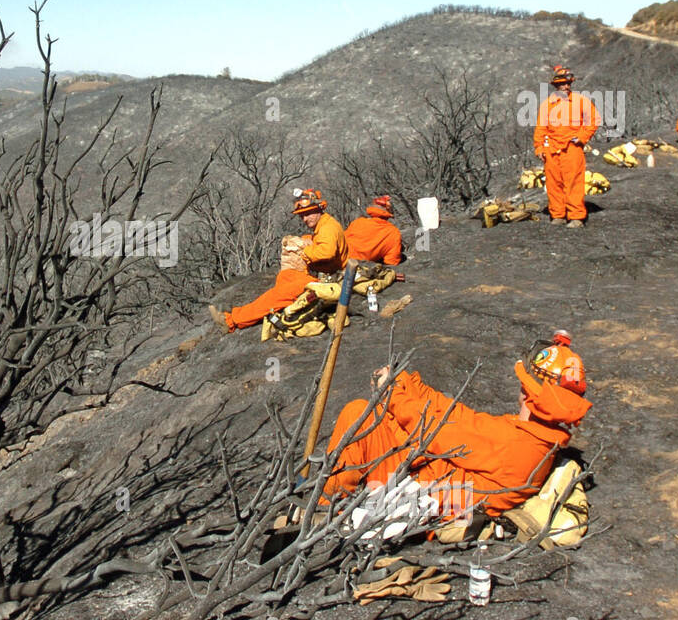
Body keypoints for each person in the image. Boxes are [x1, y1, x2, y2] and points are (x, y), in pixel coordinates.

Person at [321, 331, 591, 522]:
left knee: (358, 414)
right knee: (382, 418)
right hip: (426, 474)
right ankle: (335, 499)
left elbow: (437, 432)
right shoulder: (533, 436)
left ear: (530, 391)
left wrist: (393, 394)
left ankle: (324, 510)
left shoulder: (515, 445)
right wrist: (407, 384)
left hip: (420, 494)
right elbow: (463, 419)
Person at [209, 188, 348, 332]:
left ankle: (232, 320)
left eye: (308, 213)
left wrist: (303, 250)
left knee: (279, 294)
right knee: (284, 278)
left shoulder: (327, 228)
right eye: (302, 216)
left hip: (330, 282)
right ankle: (275, 309)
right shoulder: (324, 225)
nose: (305, 219)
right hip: (322, 277)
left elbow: (326, 253)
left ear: (319, 208)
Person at [534, 66, 601, 228]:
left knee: (573, 182)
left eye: (568, 83)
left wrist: (582, 137)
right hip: (552, 148)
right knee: (553, 183)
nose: (566, 87)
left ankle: (576, 217)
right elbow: (540, 128)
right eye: (563, 84)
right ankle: (558, 215)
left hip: (572, 148)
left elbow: (593, 121)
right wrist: (539, 148)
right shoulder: (547, 105)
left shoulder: (580, 101)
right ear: (556, 86)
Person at [343, 195, 403, 265]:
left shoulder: (358, 222)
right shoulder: (393, 232)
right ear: (389, 213)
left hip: (343, 262)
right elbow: (392, 261)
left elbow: (342, 240)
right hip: (364, 268)